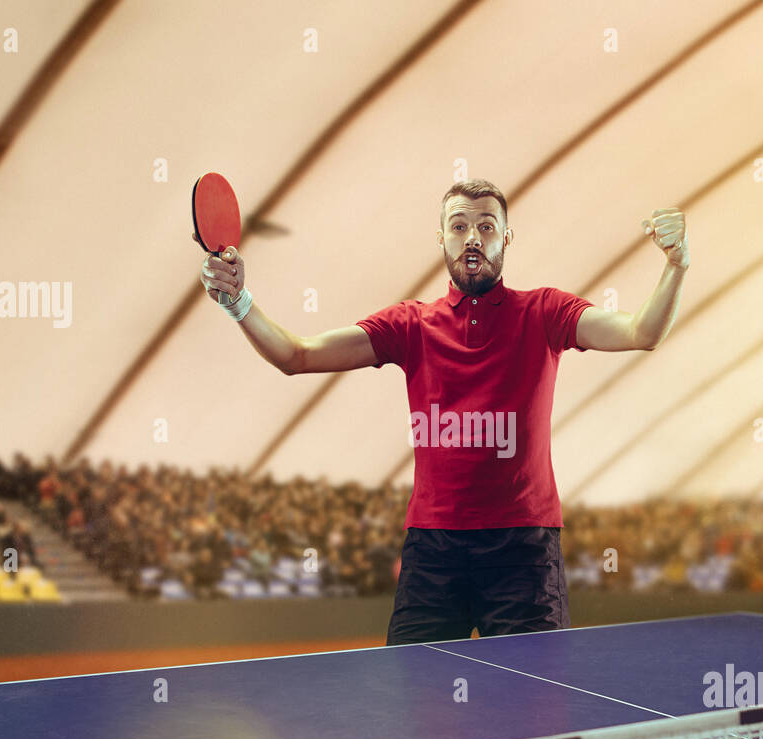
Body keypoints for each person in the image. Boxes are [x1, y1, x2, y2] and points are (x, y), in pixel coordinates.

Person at [199, 179, 689, 644]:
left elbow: (641, 333)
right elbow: (297, 356)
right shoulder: (409, 325)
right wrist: (239, 301)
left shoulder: (544, 313)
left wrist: (675, 266)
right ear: (441, 238)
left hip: (523, 550)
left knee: (534, 708)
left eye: (486, 226)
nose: (472, 237)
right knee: (420, 706)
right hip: (433, 551)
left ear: (506, 237)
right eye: (458, 226)